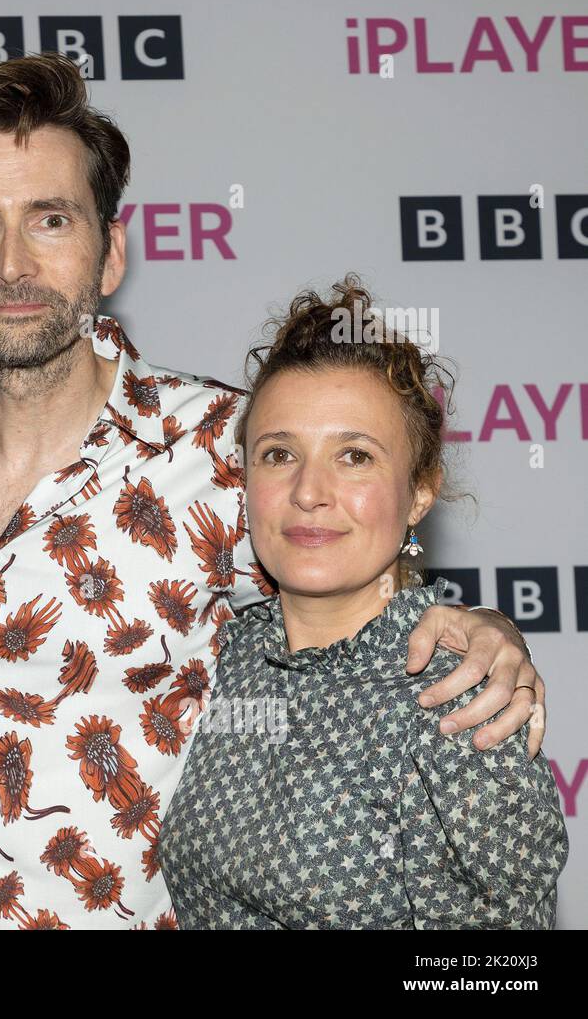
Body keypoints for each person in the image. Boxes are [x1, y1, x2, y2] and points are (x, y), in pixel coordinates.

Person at [0, 53, 547, 930]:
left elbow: (362, 576)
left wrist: (484, 629)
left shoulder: (230, 448)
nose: (15, 263)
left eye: (51, 219)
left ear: (111, 252)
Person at [161, 276, 568, 928]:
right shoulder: (219, 654)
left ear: (419, 494)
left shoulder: (459, 691)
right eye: (279, 453)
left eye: (354, 455)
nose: (309, 490)